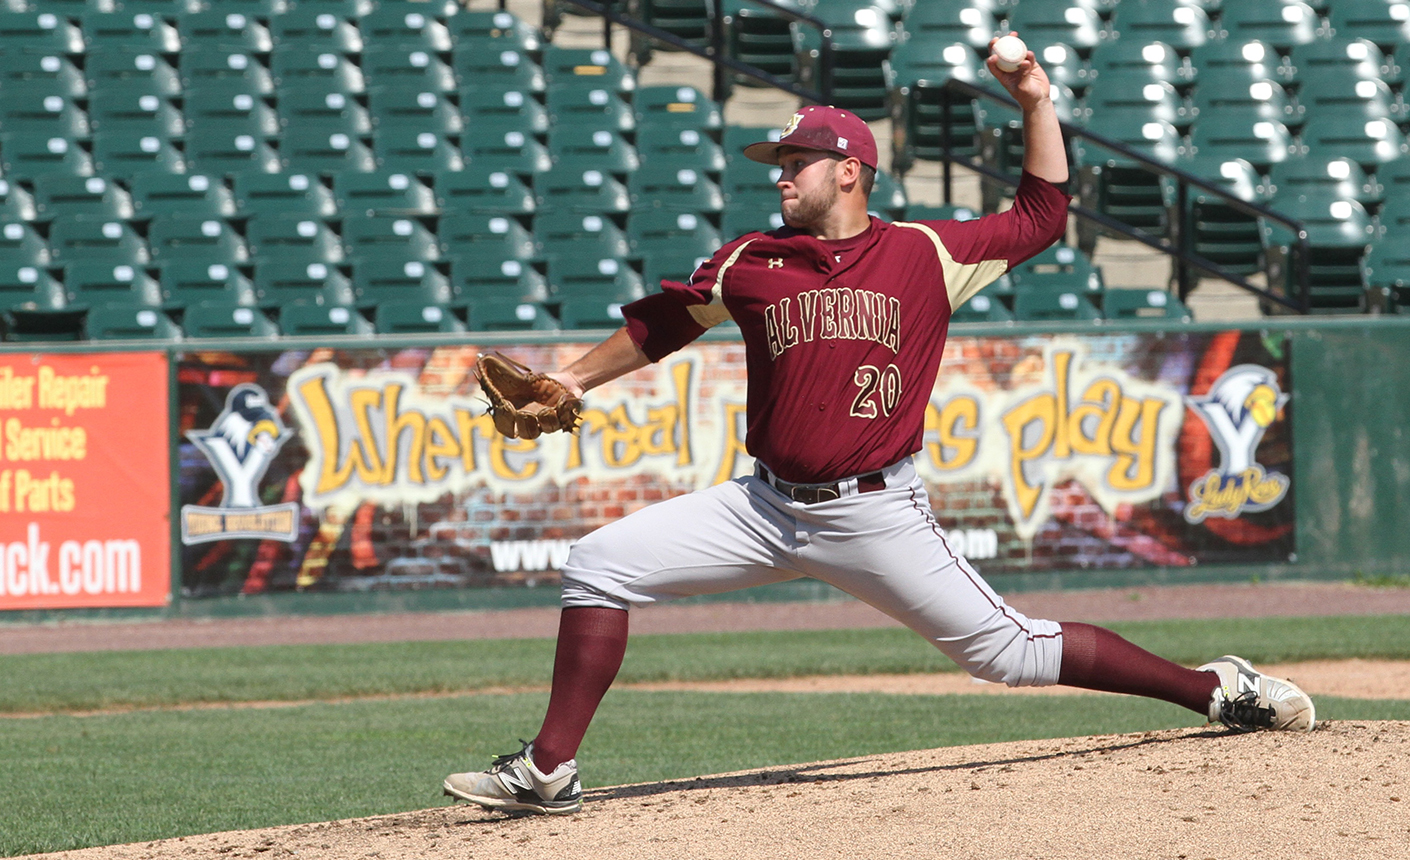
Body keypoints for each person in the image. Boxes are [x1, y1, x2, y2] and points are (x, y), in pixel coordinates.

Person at [443, 38, 1316, 816]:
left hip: (874, 512)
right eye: (778, 163)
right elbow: (663, 322)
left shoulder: (924, 255)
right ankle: (547, 773)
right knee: (597, 564)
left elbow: (1044, 215)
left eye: (796, 162)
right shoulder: (753, 260)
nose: (779, 176)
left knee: (1007, 654)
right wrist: (567, 377)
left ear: (849, 170)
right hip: (763, 506)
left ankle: (1214, 689)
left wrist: (1036, 102)